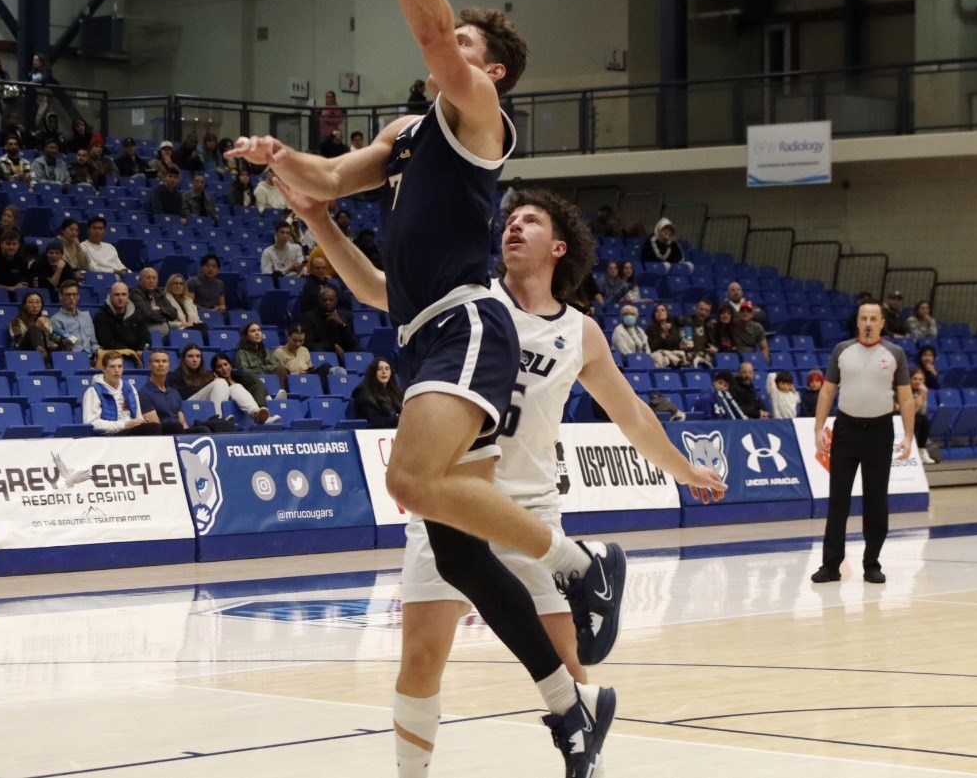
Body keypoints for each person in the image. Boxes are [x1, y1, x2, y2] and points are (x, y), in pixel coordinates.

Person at [231, 0, 629, 778]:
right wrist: (279, 159)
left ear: (486, 69)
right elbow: (328, 180)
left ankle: (578, 562)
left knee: (411, 481)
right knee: (460, 554)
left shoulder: (479, 114)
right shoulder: (410, 135)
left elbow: (425, 31)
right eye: (448, 38)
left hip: (468, 324)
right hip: (422, 335)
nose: (441, 44)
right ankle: (570, 713)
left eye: (459, 40)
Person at [301, 183, 723, 778]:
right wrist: (319, 219)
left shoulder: (581, 332)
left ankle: (585, 752)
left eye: (530, 221)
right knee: (420, 657)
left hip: (527, 509)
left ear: (558, 247)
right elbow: (373, 286)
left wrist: (683, 470)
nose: (513, 228)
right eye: (510, 220)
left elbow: (632, 415)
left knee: (565, 661)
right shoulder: (468, 299)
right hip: (450, 501)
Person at [811, 301, 915, 585]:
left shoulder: (895, 354)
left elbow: (905, 397)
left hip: (880, 432)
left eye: (873, 318)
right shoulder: (842, 351)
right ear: (857, 322)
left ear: (882, 323)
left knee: (876, 499)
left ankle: (872, 563)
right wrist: (819, 427)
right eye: (863, 318)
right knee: (838, 500)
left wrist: (908, 434)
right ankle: (831, 565)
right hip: (846, 430)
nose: (868, 323)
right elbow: (827, 392)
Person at [82, 354, 161, 436]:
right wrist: (123, 425)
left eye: (120, 366)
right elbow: (91, 424)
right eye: (112, 367)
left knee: (167, 426)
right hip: (110, 435)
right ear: (104, 369)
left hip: (130, 431)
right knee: (153, 428)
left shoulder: (129, 388)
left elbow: (138, 416)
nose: (117, 370)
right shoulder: (93, 391)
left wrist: (140, 422)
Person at [92, 282, 150, 366]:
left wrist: (140, 350)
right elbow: (106, 342)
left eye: (123, 294)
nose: (120, 298)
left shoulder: (139, 315)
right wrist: (130, 352)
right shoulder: (101, 316)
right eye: (117, 295)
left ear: (128, 296)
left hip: (137, 356)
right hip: (113, 358)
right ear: (111, 297)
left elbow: (145, 338)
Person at [301, 285, 357, 368]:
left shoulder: (343, 317)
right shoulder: (309, 317)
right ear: (319, 301)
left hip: (342, 355)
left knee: (361, 351)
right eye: (325, 300)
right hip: (323, 356)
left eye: (331, 300)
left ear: (336, 301)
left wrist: (342, 324)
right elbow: (307, 344)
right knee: (318, 351)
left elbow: (353, 343)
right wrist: (333, 346)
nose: (328, 302)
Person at [48, 281, 100, 364]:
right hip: (72, 360)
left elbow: (93, 343)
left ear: (78, 297)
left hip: (91, 359)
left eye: (74, 294)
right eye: (68, 295)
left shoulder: (86, 316)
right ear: (61, 297)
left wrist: (99, 352)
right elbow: (59, 349)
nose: (71, 298)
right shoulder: (55, 319)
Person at [7, 292, 61, 360]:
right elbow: (18, 341)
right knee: (33, 330)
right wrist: (36, 326)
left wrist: (62, 343)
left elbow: (51, 340)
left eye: (38, 302)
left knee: (63, 341)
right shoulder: (15, 322)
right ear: (24, 305)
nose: (35, 305)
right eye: (31, 302)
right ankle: (42, 355)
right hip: (25, 352)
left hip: (47, 350)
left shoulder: (45, 320)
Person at [353, 358, 404, 427]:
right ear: (373, 372)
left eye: (387, 369)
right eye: (379, 369)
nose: (384, 372)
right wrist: (399, 420)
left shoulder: (395, 393)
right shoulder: (364, 393)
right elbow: (376, 421)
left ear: (391, 373)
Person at [644, 303, 688, 368]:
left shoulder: (673, 327)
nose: (660, 312)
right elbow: (653, 347)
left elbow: (676, 343)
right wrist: (664, 334)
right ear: (654, 315)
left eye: (663, 310)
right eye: (657, 311)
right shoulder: (650, 329)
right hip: (658, 356)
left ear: (666, 314)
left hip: (673, 353)